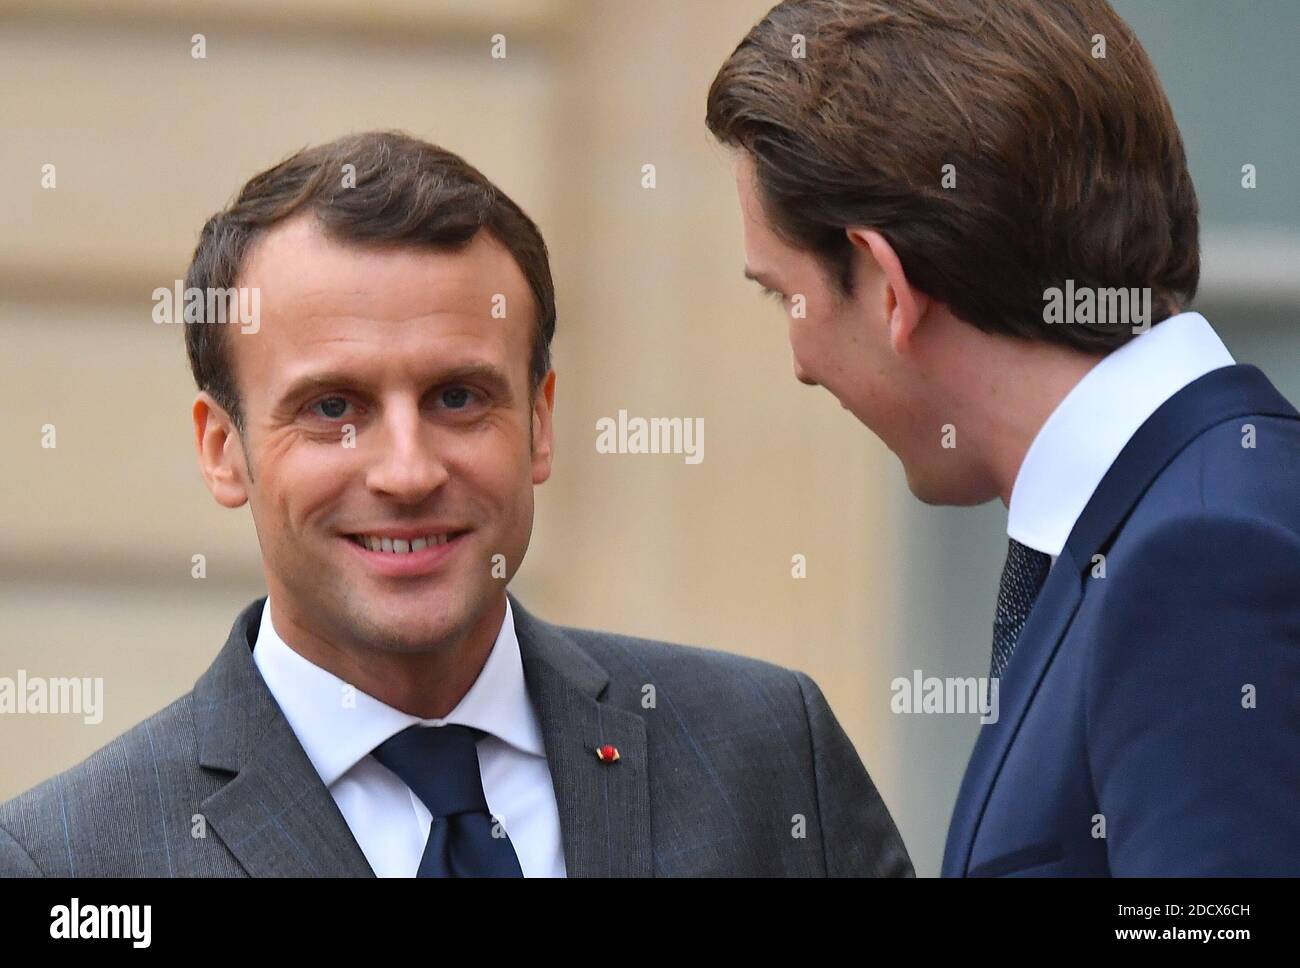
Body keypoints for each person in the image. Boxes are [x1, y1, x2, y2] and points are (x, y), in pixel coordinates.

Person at [0, 131, 911, 878]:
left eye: (458, 398)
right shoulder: (71, 863)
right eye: (333, 409)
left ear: (540, 425)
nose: (407, 472)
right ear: (222, 449)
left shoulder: (764, 754)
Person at [706, 0, 1300, 875]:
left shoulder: (1202, 557)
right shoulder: (1180, 514)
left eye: (782, 293)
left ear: (885, 284)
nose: (799, 361)